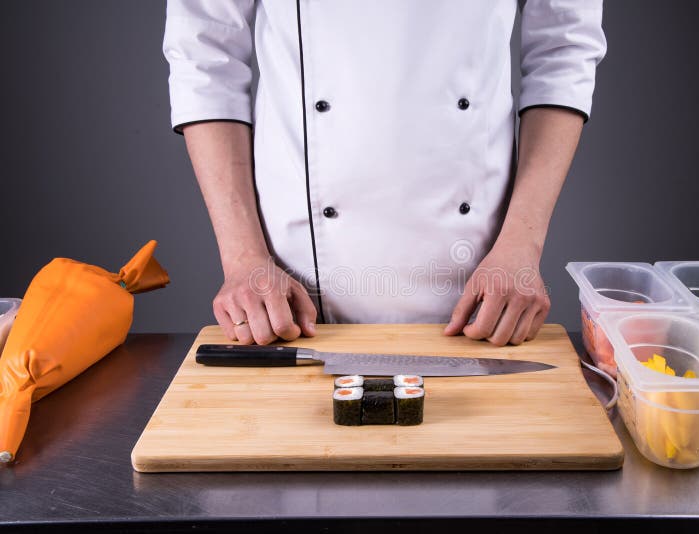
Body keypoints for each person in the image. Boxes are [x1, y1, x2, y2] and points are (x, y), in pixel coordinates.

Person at [163, 0, 606, 347]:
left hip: (482, 286)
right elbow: (205, 53)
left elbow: (563, 49)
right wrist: (244, 260)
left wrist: (521, 247)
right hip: (293, 299)